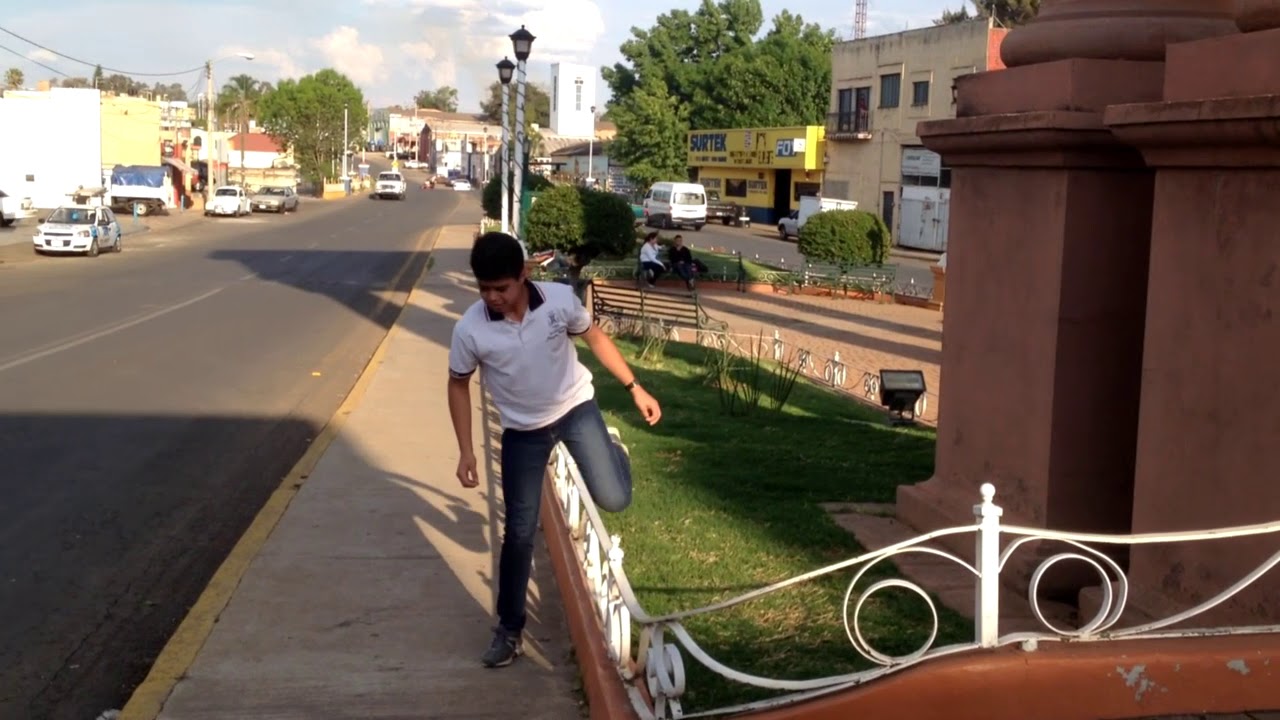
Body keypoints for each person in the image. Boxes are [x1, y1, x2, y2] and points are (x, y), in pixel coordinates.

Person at [447, 231, 663, 669]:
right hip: (523, 433)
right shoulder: (470, 329)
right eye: (484, 289)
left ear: (523, 275)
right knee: (520, 533)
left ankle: (611, 451)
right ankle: (509, 631)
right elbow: (457, 384)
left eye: (501, 288)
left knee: (616, 499)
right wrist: (466, 451)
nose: (493, 297)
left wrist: (635, 387)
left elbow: (595, 338)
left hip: (575, 409)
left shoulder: (560, 300)